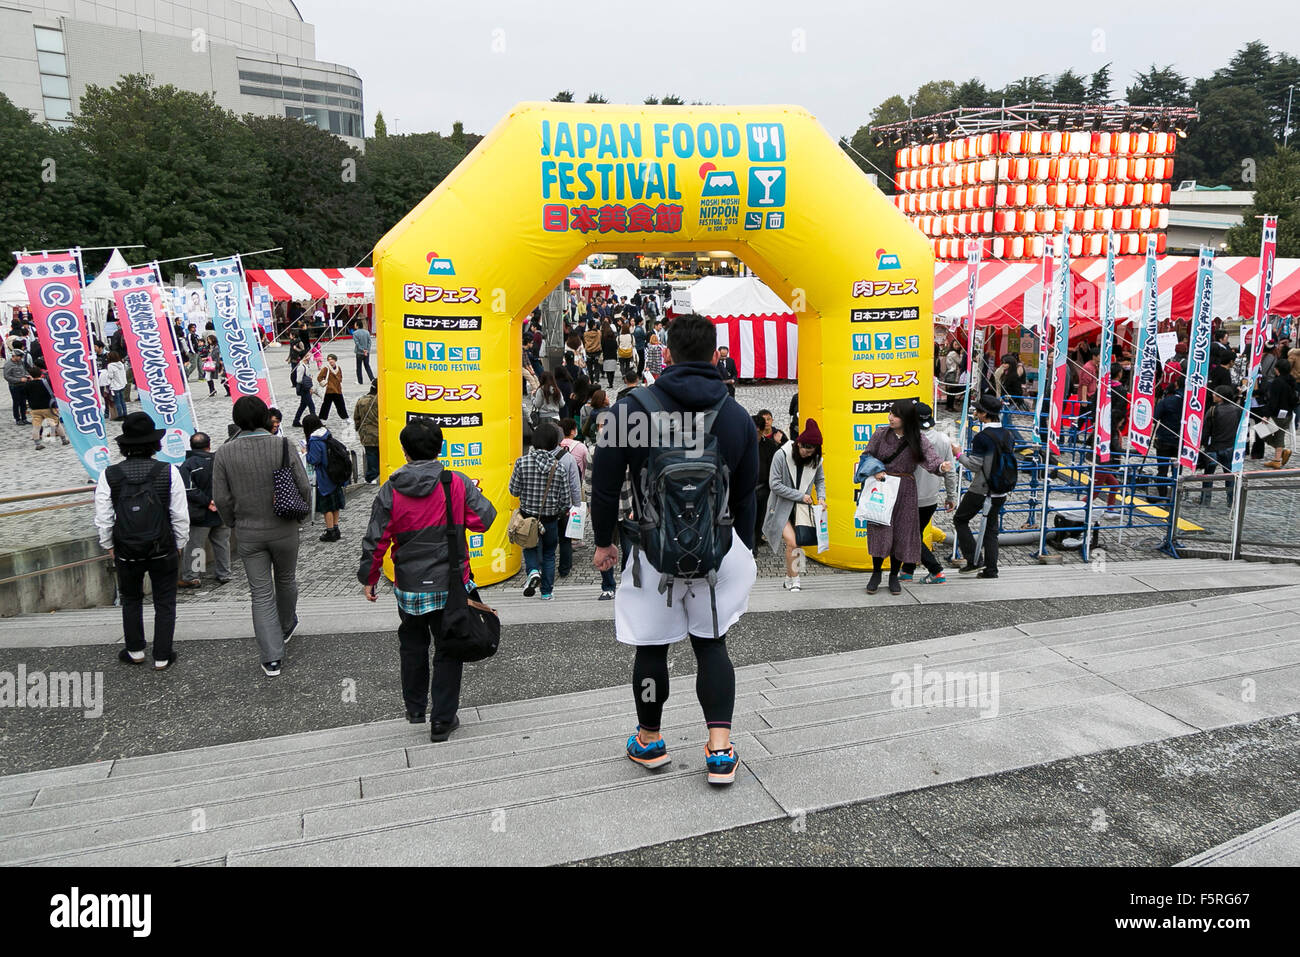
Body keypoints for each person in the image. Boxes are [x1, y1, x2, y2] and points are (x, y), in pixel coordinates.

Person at [590, 313, 758, 787]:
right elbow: (747, 495)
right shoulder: (736, 416)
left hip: (650, 555)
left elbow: (602, 488)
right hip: (717, 556)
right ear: (714, 354)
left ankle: (649, 740)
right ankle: (720, 751)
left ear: (666, 353)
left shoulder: (630, 411)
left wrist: (604, 544)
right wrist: (736, 549)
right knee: (712, 647)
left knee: (651, 648)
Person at [358, 417, 497, 739]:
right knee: (448, 648)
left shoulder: (390, 489)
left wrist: (370, 576)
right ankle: (442, 720)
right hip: (450, 585)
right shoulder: (456, 483)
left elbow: (376, 538)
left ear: (404, 451)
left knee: (412, 644)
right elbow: (484, 520)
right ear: (441, 447)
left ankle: (416, 707)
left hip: (408, 586)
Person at [213, 396, 311, 677]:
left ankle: (271, 656)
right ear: (266, 418)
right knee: (286, 579)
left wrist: (233, 522)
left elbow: (220, 497)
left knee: (260, 592)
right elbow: (303, 486)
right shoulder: (282, 444)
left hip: (248, 531)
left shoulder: (224, 452)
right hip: (284, 529)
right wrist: (299, 516)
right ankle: (285, 624)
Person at [94, 412, 189, 670]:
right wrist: (179, 543)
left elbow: (103, 517)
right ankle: (162, 655)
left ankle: (135, 650)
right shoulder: (167, 471)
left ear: (124, 444)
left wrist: (109, 546)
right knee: (165, 601)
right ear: (155, 443)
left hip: (126, 549)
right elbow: (179, 514)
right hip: (162, 546)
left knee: (131, 598)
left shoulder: (109, 475)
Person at [861, 400, 947, 594]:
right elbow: (866, 456)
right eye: (890, 413)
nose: (891, 417)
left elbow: (931, 460)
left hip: (905, 489)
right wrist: (876, 470)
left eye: (896, 415)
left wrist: (942, 467)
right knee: (880, 529)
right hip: (882, 487)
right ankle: (876, 573)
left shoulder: (918, 438)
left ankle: (894, 575)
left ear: (906, 418)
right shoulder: (880, 434)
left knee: (902, 532)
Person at [950, 395, 1012, 579]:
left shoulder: (982, 437)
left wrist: (958, 454)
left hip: (982, 488)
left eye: (978, 410)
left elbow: (974, 465)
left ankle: (974, 561)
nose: (975, 413)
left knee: (960, 519)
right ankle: (991, 570)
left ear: (985, 414)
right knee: (991, 529)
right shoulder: (1007, 434)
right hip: (1001, 488)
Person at [510, 421, 573, 601]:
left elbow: (513, 490)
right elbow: (565, 500)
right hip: (551, 519)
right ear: (555, 442)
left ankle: (532, 571)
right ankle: (546, 592)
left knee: (529, 547)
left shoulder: (521, 463)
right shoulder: (558, 466)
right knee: (549, 553)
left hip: (527, 517)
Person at [897, 403, 957, 584]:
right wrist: (951, 496)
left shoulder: (908, 440)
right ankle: (907, 570)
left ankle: (936, 570)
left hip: (909, 498)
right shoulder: (944, 440)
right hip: (930, 499)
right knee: (916, 534)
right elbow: (950, 471)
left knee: (910, 537)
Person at [762, 419, 825, 592]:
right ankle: (795, 579)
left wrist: (821, 497)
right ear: (798, 444)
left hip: (801, 509)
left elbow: (820, 480)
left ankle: (789, 576)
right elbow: (774, 484)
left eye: (810, 450)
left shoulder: (817, 459)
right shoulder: (782, 454)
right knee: (793, 541)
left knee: (798, 544)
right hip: (780, 506)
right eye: (803, 447)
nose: (805, 452)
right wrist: (800, 496)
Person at [177, 431, 232, 588]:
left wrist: (207, 502)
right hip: (221, 511)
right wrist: (218, 501)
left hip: (200, 514)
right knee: (222, 543)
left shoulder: (189, 465)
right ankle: (224, 573)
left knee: (196, 546)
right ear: (209, 445)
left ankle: (194, 576)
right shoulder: (220, 461)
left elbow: (188, 489)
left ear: (191, 446)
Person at [303, 413, 345, 540]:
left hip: (325, 477)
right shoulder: (326, 434)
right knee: (336, 505)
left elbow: (314, 459)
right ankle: (336, 528)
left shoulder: (314, 441)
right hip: (335, 474)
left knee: (327, 506)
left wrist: (306, 453)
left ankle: (330, 531)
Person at [1199, 386, 1242, 505]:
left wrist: (1202, 445)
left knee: (1208, 476)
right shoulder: (1237, 410)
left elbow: (1206, 431)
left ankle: (1205, 500)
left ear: (1221, 397)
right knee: (1229, 476)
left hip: (1213, 447)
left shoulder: (1212, 410)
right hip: (1229, 447)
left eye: (1215, 394)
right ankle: (1231, 501)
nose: (1213, 395)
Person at [24, 359, 70, 450]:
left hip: (35, 408)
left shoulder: (27, 384)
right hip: (48, 407)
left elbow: (25, 395)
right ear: (40, 374)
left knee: (36, 426)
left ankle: (37, 444)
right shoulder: (45, 382)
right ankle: (64, 440)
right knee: (56, 423)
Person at [1151, 377, 1185, 497]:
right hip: (1181, 440)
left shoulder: (1167, 401)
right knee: (1177, 469)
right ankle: (1175, 494)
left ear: (1176, 385)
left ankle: (1162, 494)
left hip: (1164, 438)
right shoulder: (1191, 403)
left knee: (1162, 469)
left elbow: (1155, 417)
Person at [1261, 358, 1297, 469]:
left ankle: (1281, 454)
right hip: (1288, 413)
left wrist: (1266, 415)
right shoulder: (1292, 380)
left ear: (1277, 370)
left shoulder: (1277, 382)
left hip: (1277, 413)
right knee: (1280, 435)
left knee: (1262, 431)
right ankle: (1277, 458)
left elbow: (1273, 401)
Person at [353, 381, 380, 483]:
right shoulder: (382, 401)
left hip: (367, 435)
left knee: (371, 457)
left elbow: (356, 418)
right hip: (382, 435)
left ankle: (372, 478)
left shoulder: (361, 400)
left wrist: (359, 430)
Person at [316, 354, 348, 421]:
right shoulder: (326, 368)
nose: (330, 361)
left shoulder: (338, 368)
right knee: (326, 406)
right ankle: (322, 419)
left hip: (337, 390)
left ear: (335, 360)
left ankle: (345, 417)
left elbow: (340, 377)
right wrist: (325, 383)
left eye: (332, 359)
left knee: (341, 405)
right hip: (329, 391)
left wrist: (339, 380)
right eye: (329, 360)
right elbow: (319, 378)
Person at [4, 344, 30, 425]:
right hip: (14, 386)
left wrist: (27, 375)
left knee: (23, 402)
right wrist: (19, 379)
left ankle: (24, 418)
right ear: (14, 356)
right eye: (19, 356)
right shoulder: (8, 364)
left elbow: (24, 371)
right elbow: (7, 376)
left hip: (23, 385)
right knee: (16, 402)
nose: (20, 358)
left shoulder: (21, 362)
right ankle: (17, 419)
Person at [290, 360, 318, 428]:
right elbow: (298, 380)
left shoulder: (306, 366)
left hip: (306, 388)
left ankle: (296, 421)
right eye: (308, 355)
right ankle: (315, 423)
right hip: (304, 389)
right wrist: (309, 378)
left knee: (302, 406)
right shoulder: (301, 367)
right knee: (311, 406)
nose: (310, 357)